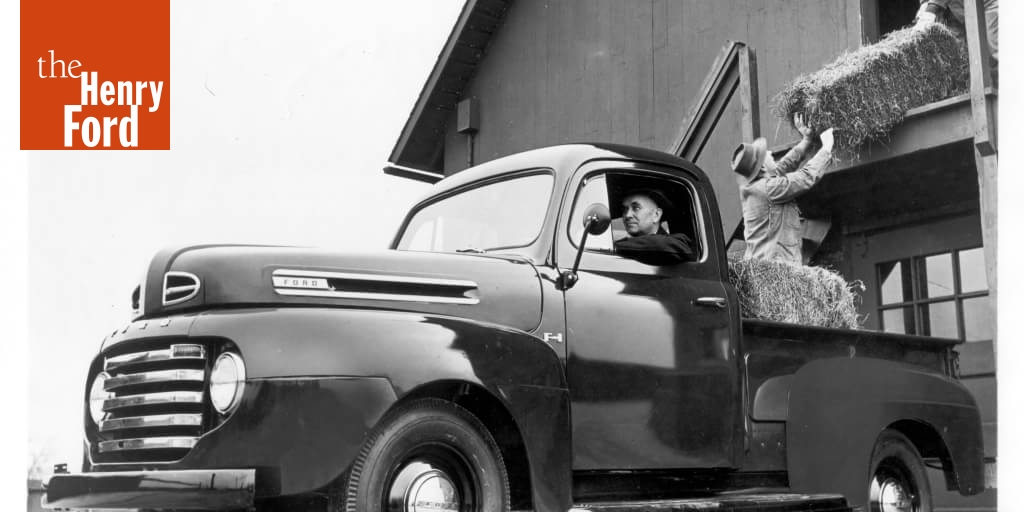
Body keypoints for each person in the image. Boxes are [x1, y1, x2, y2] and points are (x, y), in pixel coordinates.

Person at [734, 114, 834, 265]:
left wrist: (806, 140)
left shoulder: (758, 185)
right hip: (776, 264)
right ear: (762, 167)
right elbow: (805, 177)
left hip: (768, 265)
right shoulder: (767, 189)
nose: (770, 154)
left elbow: (782, 167)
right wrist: (826, 148)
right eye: (766, 155)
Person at [914, 0, 997, 83]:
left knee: (993, 49)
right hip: (955, 10)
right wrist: (924, 7)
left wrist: (929, 13)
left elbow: (933, 6)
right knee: (958, 54)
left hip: (986, 5)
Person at [612, 189, 697, 265]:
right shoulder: (626, 245)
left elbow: (660, 244)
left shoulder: (673, 243)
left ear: (656, 215)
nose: (627, 215)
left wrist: (613, 247)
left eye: (636, 208)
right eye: (625, 209)